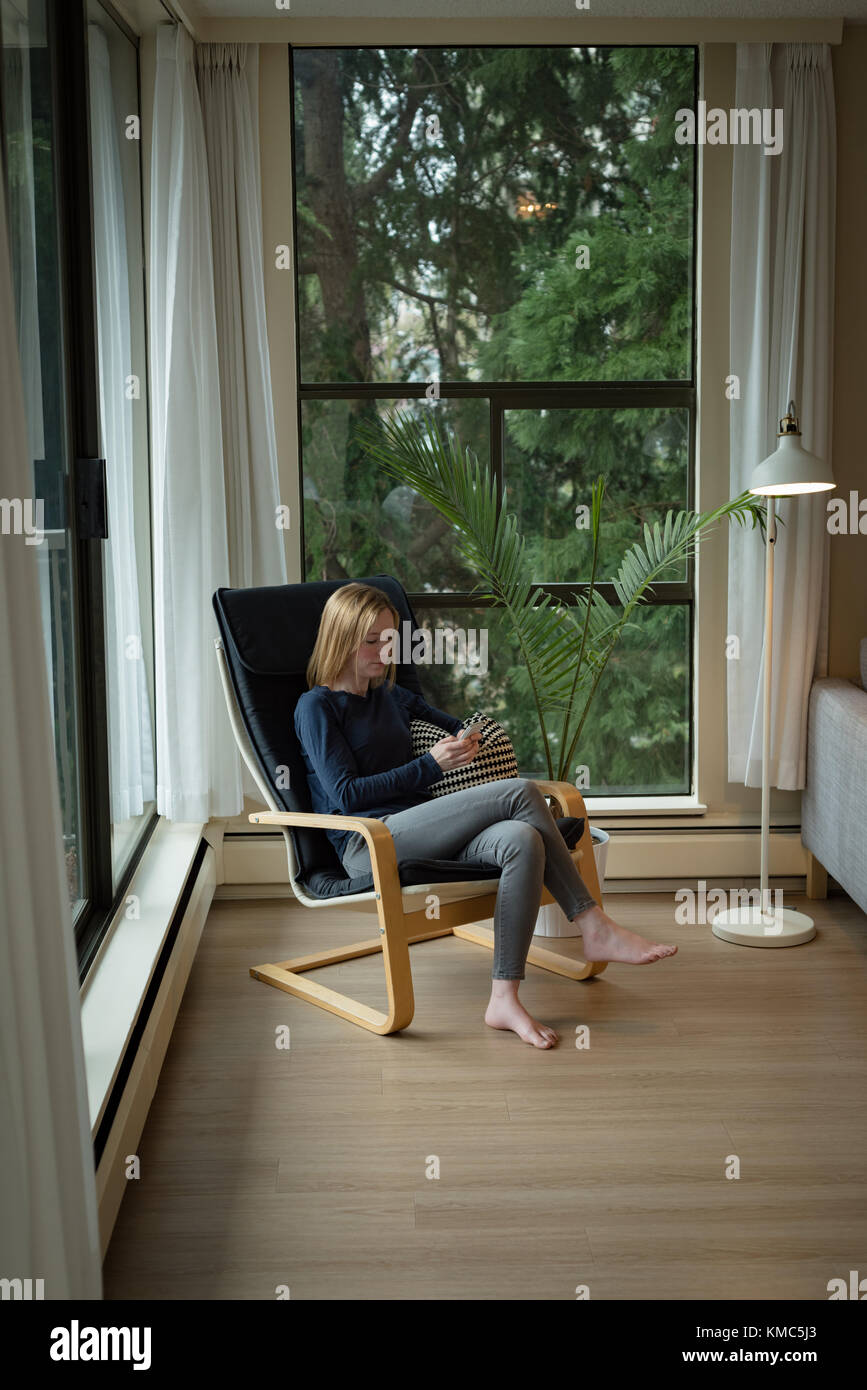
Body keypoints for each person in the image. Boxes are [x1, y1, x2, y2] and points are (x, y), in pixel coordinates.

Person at [295, 583, 677, 1050]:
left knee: (521, 838)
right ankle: (593, 925)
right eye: (371, 640)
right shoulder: (316, 707)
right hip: (368, 842)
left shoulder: (393, 696)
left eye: (391, 639)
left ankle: (503, 997)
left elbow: (454, 724)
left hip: (426, 827)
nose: (385, 650)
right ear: (340, 638)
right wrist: (430, 765)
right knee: (520, 793)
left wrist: (469, 739)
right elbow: (348, 795)